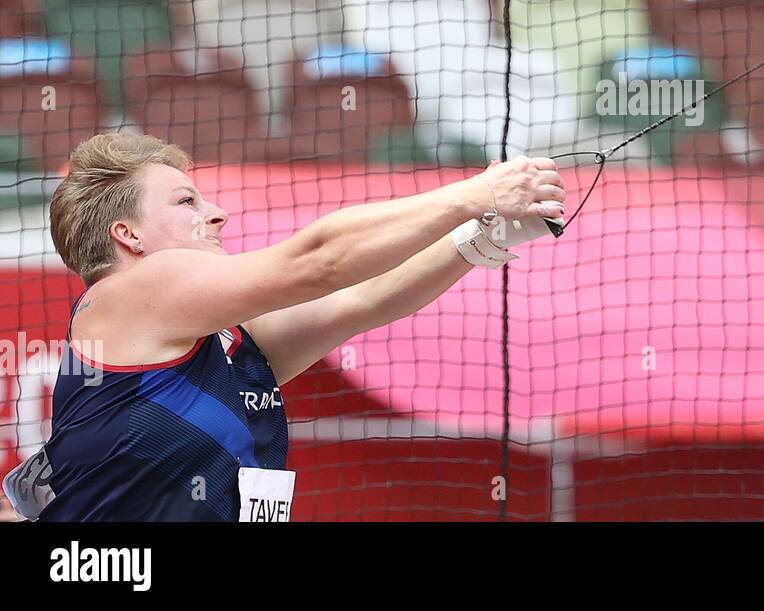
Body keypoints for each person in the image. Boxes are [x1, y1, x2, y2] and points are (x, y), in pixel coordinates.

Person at [2, 131, 565, 521]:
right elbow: (317, 263)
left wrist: (485, 239)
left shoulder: (224, 341)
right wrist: (474, 194)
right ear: (130, 236)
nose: (216, 213)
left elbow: (363, 300)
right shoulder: (133, 288)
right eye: (186, 201)